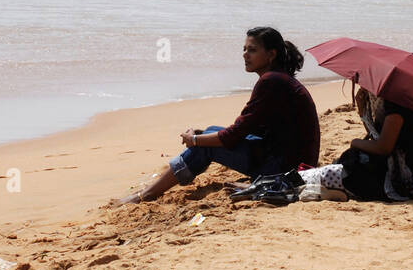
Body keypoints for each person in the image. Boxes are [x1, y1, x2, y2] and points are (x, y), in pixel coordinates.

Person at [116, 27, 320, 203]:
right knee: (210, 133)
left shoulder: (270, 81)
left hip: (286, 170)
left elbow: (233, 136)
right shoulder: (278, 79)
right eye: (244, 49)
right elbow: (251, 128)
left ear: (271, 54)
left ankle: (148, 194)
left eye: (252, 50)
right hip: (291, 164)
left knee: (205, 147)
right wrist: (202, 135)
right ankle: (155, 187)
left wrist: (194, 140)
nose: (245, 55)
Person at [296, 88, 413, 202]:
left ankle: (295, 181)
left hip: (412, 182)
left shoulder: (397, 104)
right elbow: (377, 137)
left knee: (336, 172)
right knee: (339, 169)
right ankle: (300, 180)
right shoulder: (398, 98)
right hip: (403, 172)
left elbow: (383, 147)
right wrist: (363, 111)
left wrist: (355, 143)